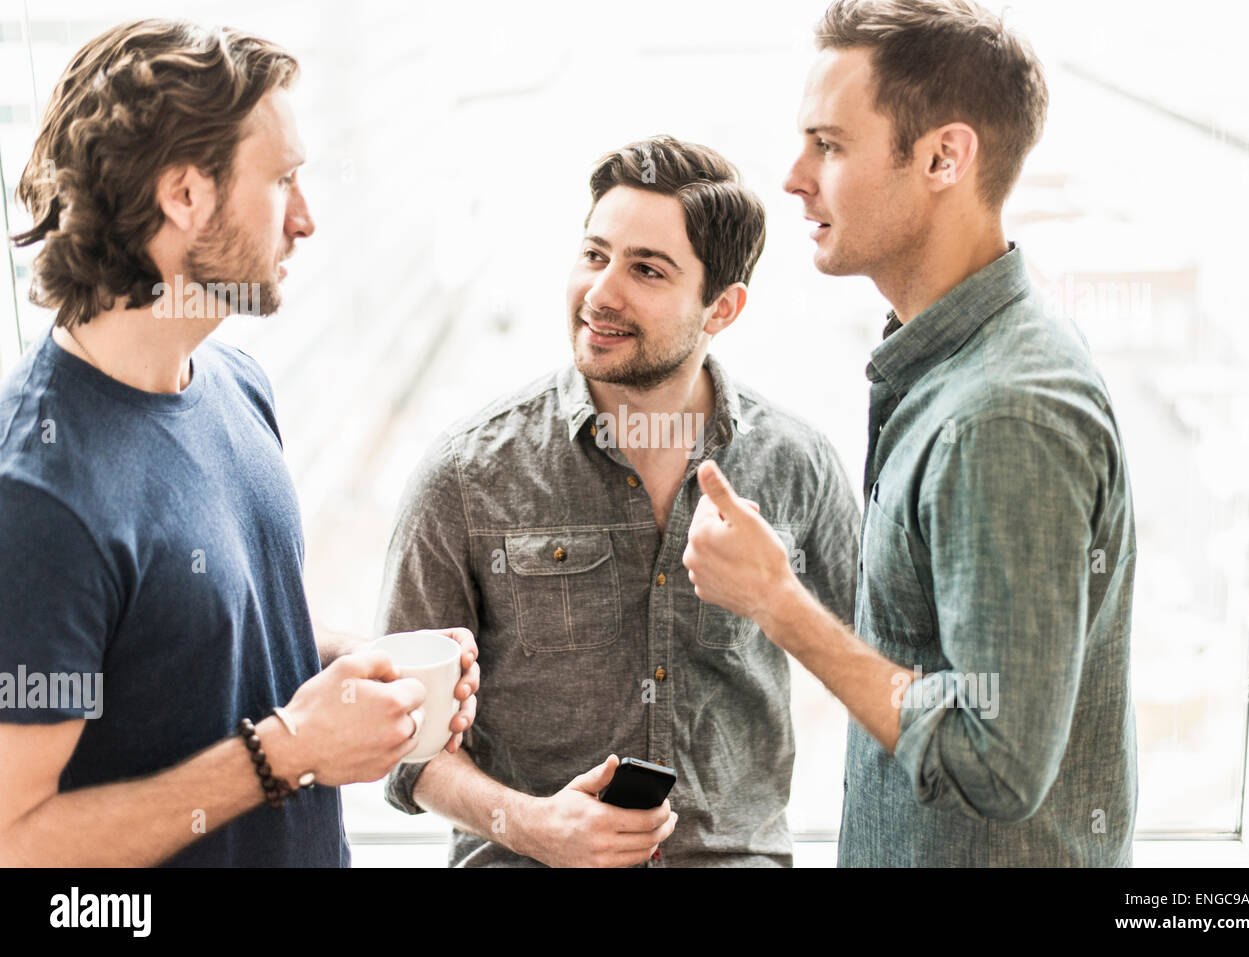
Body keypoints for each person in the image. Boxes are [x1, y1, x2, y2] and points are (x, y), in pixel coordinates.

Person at [0, 18, 478, 867]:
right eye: (283, 181)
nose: (307, 219)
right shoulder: (39, 498)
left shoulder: (231, 382)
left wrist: (360, 663)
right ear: (186, 195)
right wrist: (288, 752)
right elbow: (16, 839)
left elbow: (218, 646)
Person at [683, 0, 1138, 866]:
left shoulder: (1001, 415)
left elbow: (995, 758)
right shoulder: (956, 360)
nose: (792, 175)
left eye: (830, 144)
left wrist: (777, 601)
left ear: (943, 157)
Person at [378, 135, 860, 867]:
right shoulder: (465, 476)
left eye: (647, 269)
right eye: (595, 255)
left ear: (722, 308)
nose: (601, 292)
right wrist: (530, 823)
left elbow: (879, 672)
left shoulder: (798, 466)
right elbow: (403, 742)